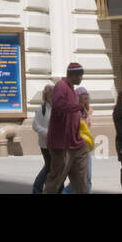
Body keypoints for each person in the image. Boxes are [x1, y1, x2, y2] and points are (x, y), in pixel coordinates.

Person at [43, 62, 88, 194]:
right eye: (80, 75)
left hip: (76, 143)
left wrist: (80, 112)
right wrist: (78, 107)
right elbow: (59, 105)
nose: (81, 78)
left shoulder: (72, 90)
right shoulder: (61, 86)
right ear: (73, 75)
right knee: (56, 179)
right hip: (62, 144)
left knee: (82, 180)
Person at [31, 84, 53, 194]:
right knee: (49, 166)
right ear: (46, 96)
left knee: (52, 167)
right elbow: (35, 125)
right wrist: (47, 133)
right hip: (45, 144)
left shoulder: (57, 108)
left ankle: (51, 188)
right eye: (50, 96)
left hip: (56, 143)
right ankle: (37, 188)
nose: (52, 98)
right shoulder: (42, 109)